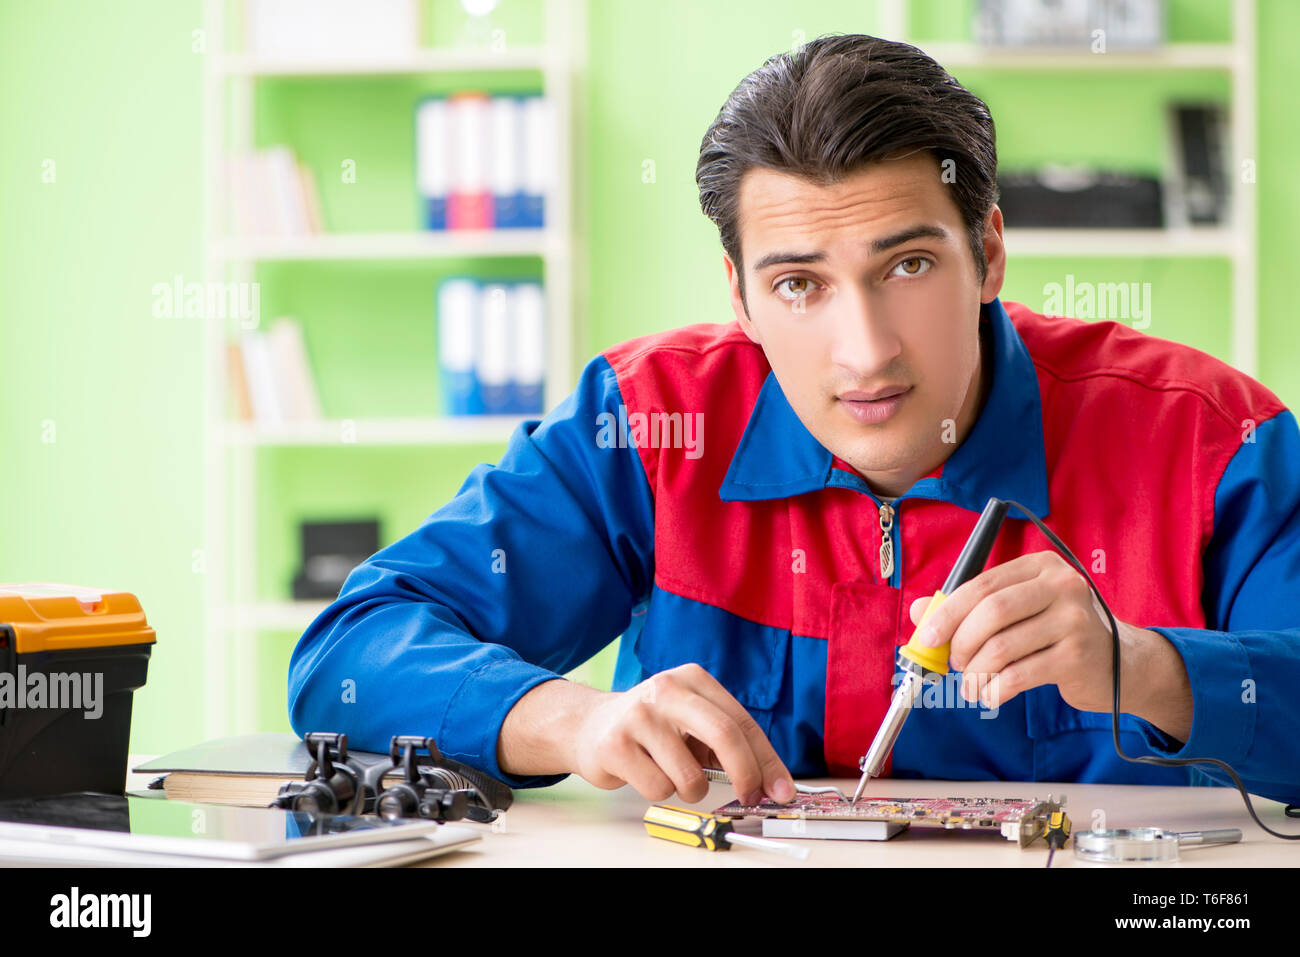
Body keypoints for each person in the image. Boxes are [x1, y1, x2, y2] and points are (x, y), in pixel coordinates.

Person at [288, 34, 1300, 809]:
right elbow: (349, 652)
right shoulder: (645, 426)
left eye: (907, 267)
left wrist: (1153, 670)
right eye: (799, 285)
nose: (865, 352)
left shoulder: (1214, 443)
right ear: (738, 295)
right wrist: (570, 720)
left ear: (987, 253)